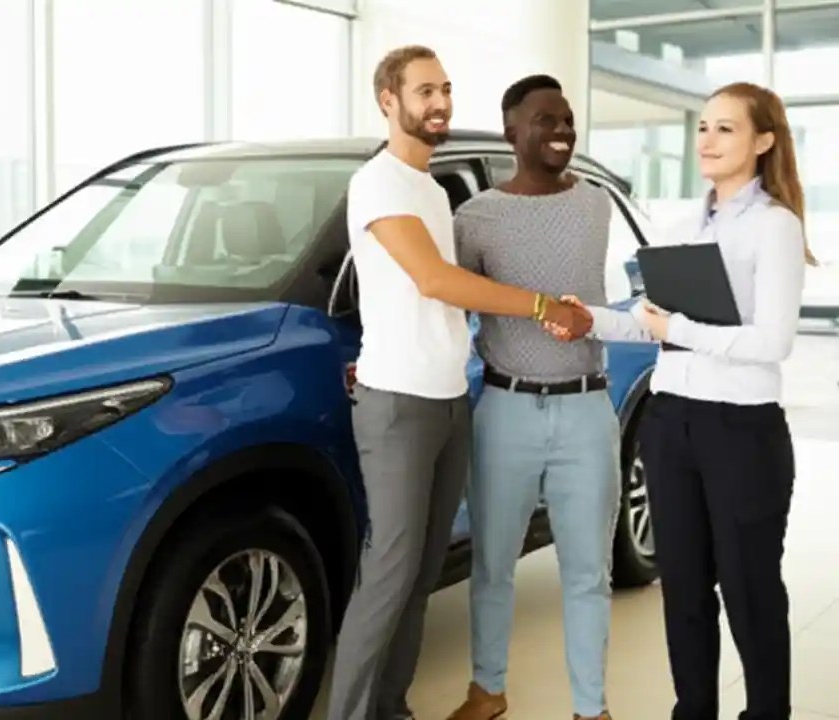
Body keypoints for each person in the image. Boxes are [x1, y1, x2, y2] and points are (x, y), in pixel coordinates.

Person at [326, 46, 592, 720]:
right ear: (388, 101)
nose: (440, 102)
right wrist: (540, 305)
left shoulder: (433, 190)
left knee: (418, 575)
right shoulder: (379, 182)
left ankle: (391, 709)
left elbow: (435, 299)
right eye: (424, 91)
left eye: (444, 89)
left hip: (447, 398)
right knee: (388, 574)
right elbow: (434, 280)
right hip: (399, 402)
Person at [572, 81, 811, 720]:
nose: (707, 139)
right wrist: (589, 320)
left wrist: (676, 328)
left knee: (750, 591)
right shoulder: (683, 226)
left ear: (763, 141)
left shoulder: (775, 226)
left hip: (741, 430)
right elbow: (649, 321)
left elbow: (773, 341)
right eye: (703, 126)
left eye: (726, 128)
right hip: (670, 422)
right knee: (683, 590)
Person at [444, 74, 619, 720]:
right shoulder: (474, 219)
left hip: (586, 409)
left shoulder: (597, 205)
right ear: (511, 131)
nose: (562, 130)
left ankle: (591, 709)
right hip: (506, 411)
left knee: (588, 571)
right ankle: (486, 691)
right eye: (546, 119)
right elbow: (449, 302)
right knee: (492, 565)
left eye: (567, 119)